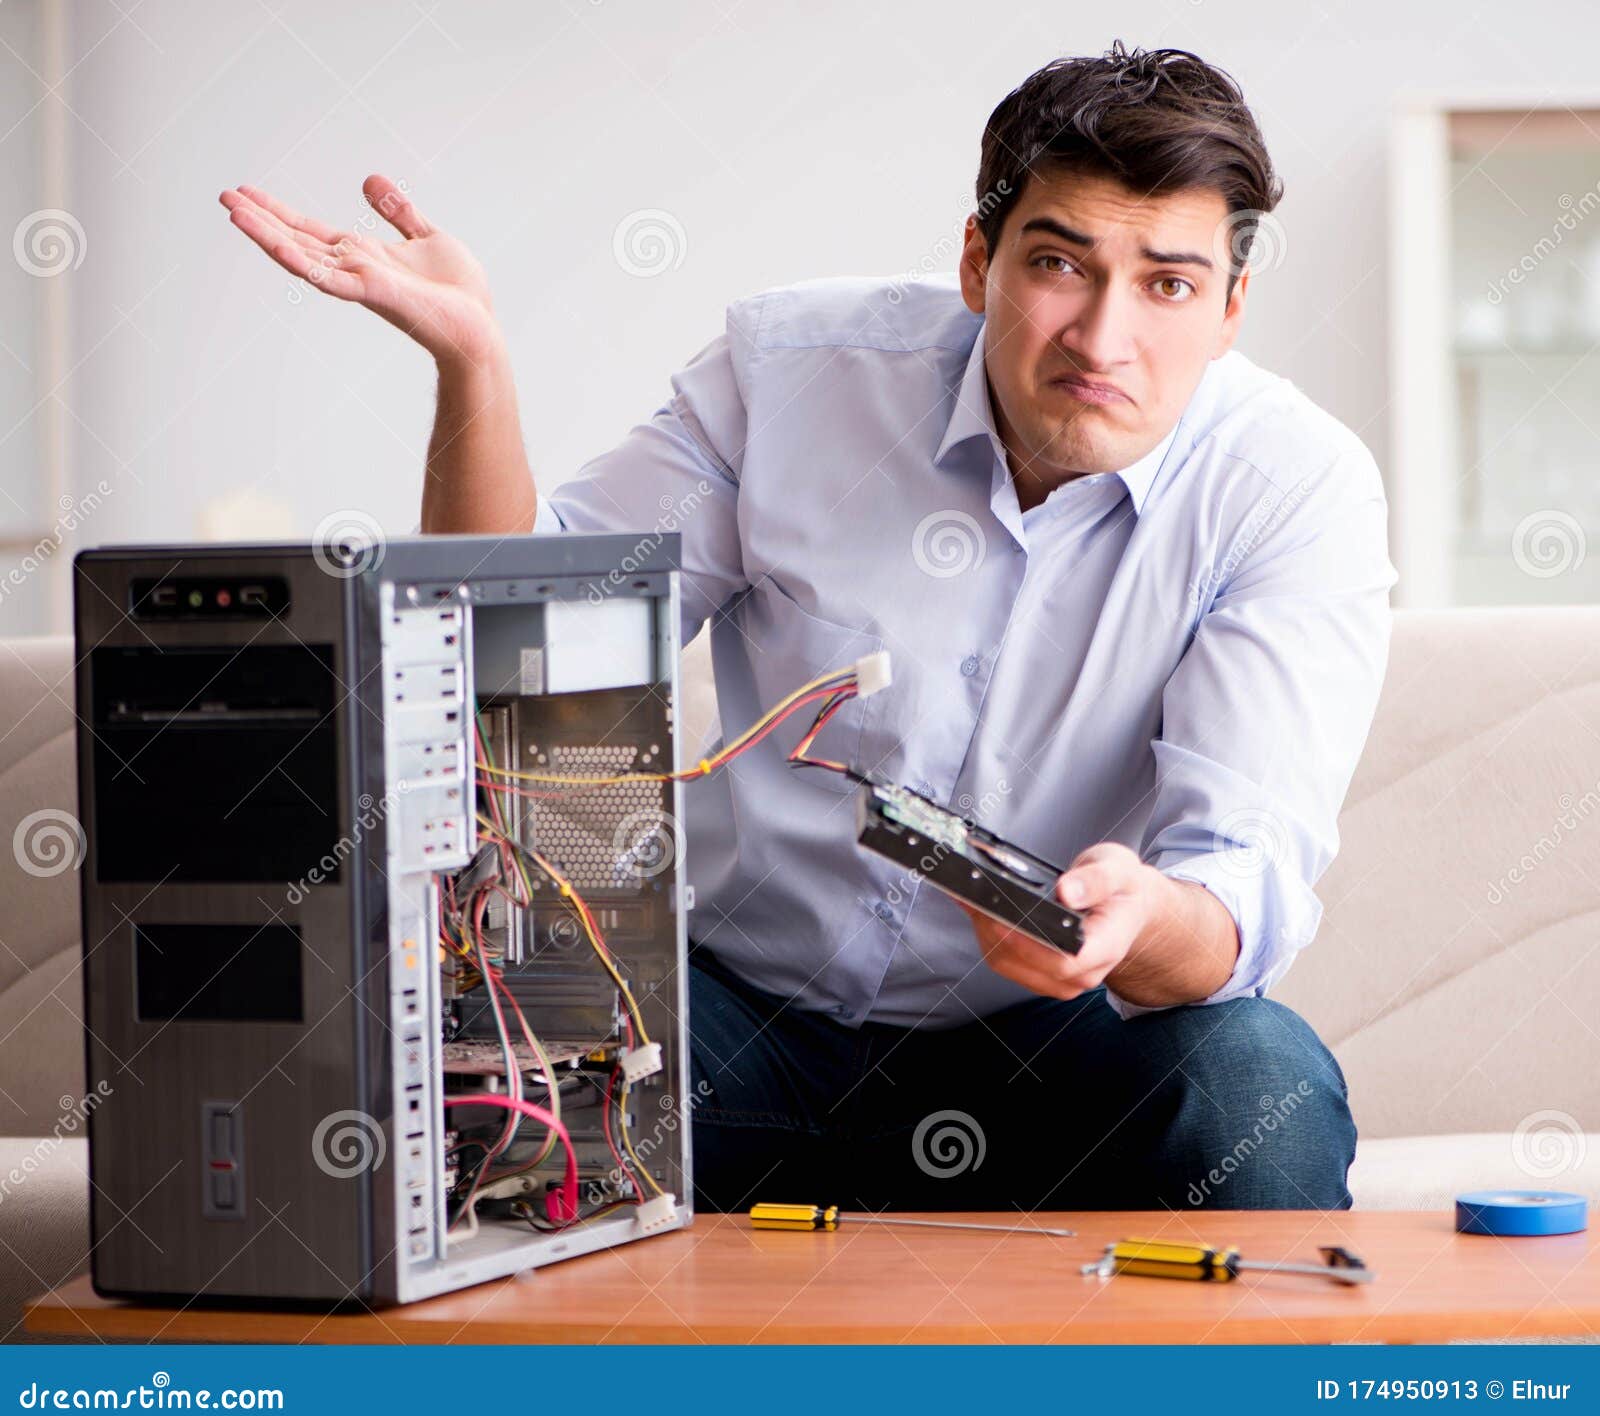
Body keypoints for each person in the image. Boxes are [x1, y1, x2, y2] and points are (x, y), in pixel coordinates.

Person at [221, 42, 1396, 1213]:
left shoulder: (1291, 491)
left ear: (1232, 305)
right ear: (979, 260)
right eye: (1057, 263)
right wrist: (474, 368)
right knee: (443, 1056)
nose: (1101, 338)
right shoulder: (790, 377)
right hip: (726, 1041)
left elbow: (1238, 876)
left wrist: (1133, 926)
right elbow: (509, 652)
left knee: (1258, 1081)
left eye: (1169, 285)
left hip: (1048, 1056)